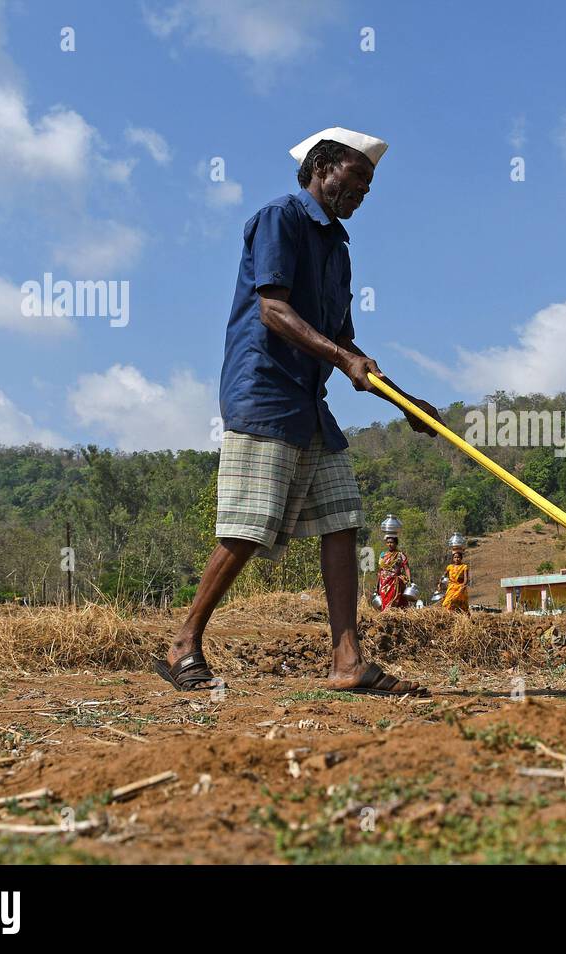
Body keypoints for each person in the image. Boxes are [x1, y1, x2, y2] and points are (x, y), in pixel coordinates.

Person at [156, 127, 442, 696]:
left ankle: (346, 661)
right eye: (356, 177)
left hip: (311, 403)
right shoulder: (280, 218)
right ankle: (183, 641)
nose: (363, 191)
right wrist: (342, 357)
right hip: (265, 390)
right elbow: (272, 311)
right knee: (248, 527)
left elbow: (345, 342)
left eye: (369, 183)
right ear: (322, 167)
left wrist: (405, 402)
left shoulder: (338, 250)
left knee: (341, 519)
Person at [376, 516, 412, 611]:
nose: (389, 544)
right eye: (388, 542)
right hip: (384, 582)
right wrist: (377, 584)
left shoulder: (400, 555)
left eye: (391, 542)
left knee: (393, 601)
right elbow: (380, 570)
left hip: (394, 582)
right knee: (384, 601)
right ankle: (385, 616)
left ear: (396, 543)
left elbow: (406, 568)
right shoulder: (383, 555)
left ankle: (393, 615)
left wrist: (409, 580)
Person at [441, 533, 471, 613]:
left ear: (461, 558)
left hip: (460, 589)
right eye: (455, 557)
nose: (457, 559)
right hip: (451, 589)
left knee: (463, 606)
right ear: (453, 558)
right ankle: (449, 617)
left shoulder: (464, 567)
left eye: (458, 557)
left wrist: (463, 587)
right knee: (447, 603)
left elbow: (466, 579)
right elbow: (444, 575)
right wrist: (441, 581)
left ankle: (466, 620)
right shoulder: (449, 567)